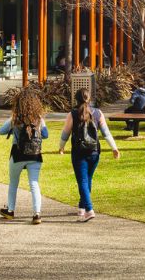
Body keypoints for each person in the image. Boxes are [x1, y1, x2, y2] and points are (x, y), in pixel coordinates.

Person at [58, 88, 120, 222]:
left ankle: (89, 209)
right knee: (87, 179)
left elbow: (65, 133)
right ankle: (82, 207)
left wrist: (61, 147)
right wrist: (114, 148)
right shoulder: (98, 113)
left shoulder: (72, 114)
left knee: (83, 181)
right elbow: (106, 133)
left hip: (79, 152)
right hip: (94, 151)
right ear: (89, 98)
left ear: (76, 99)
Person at [0, 88, 49, 224]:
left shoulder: (15, 119)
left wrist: (12, 122)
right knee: (34, 183)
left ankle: (10, 210)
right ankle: (37, 214)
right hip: (35, 155)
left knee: (13, 182)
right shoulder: (39, 119)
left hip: (18, 154)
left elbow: (0, 131)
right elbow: (45, 135)